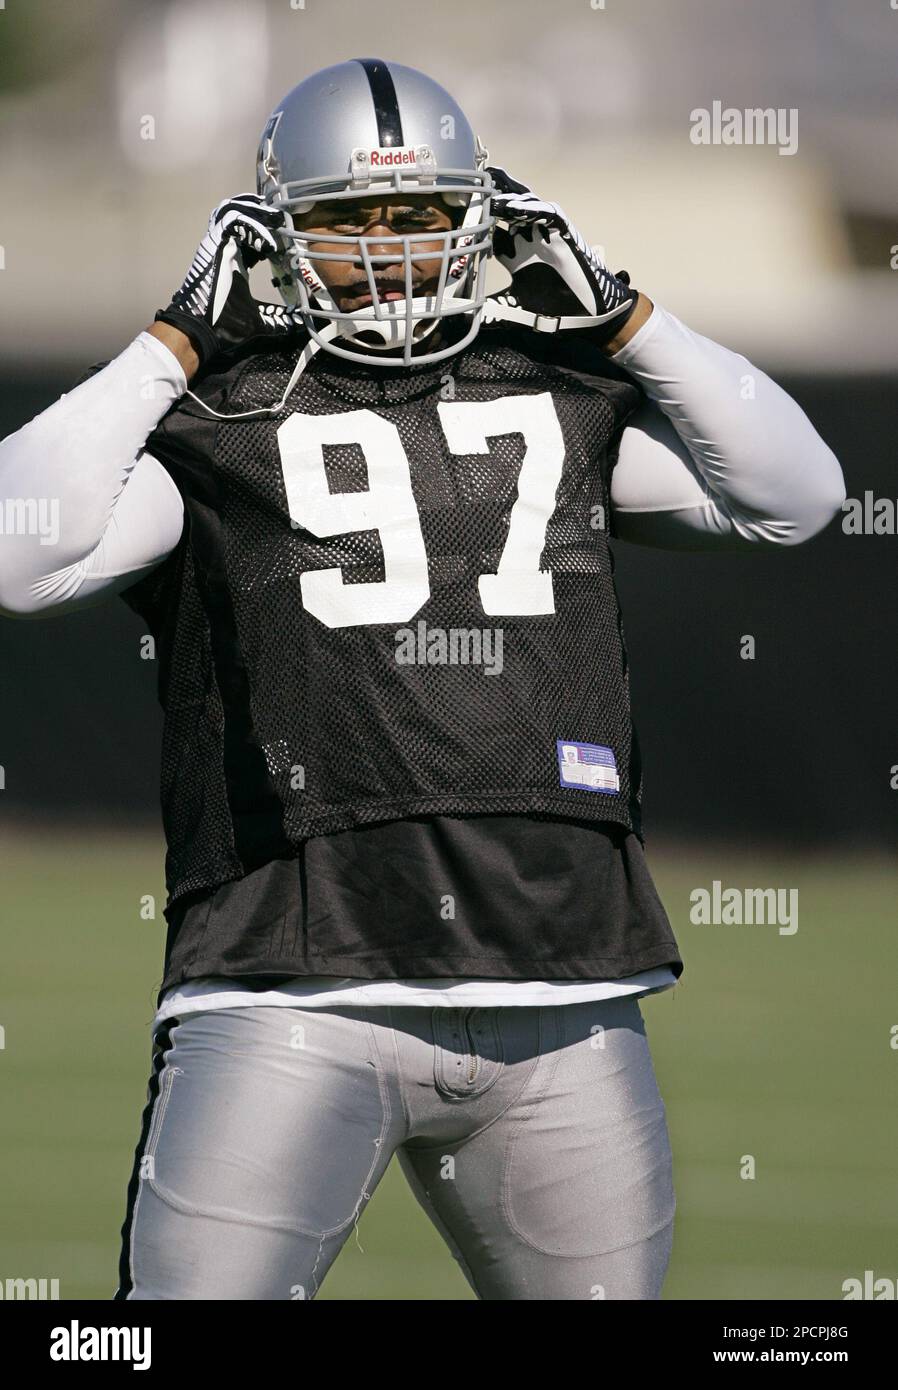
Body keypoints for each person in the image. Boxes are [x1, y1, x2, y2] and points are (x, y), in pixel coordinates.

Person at [0, 58, 845, 1301]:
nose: (390, 246)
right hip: (295, 987)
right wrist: (170, 340)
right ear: (274, 232)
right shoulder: (216, 410)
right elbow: (20, 553)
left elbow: (799, 496)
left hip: (567, 988)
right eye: (350, 216)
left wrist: (629, 316)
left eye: (419, 212)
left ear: (483, 217)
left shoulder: (560, 385)